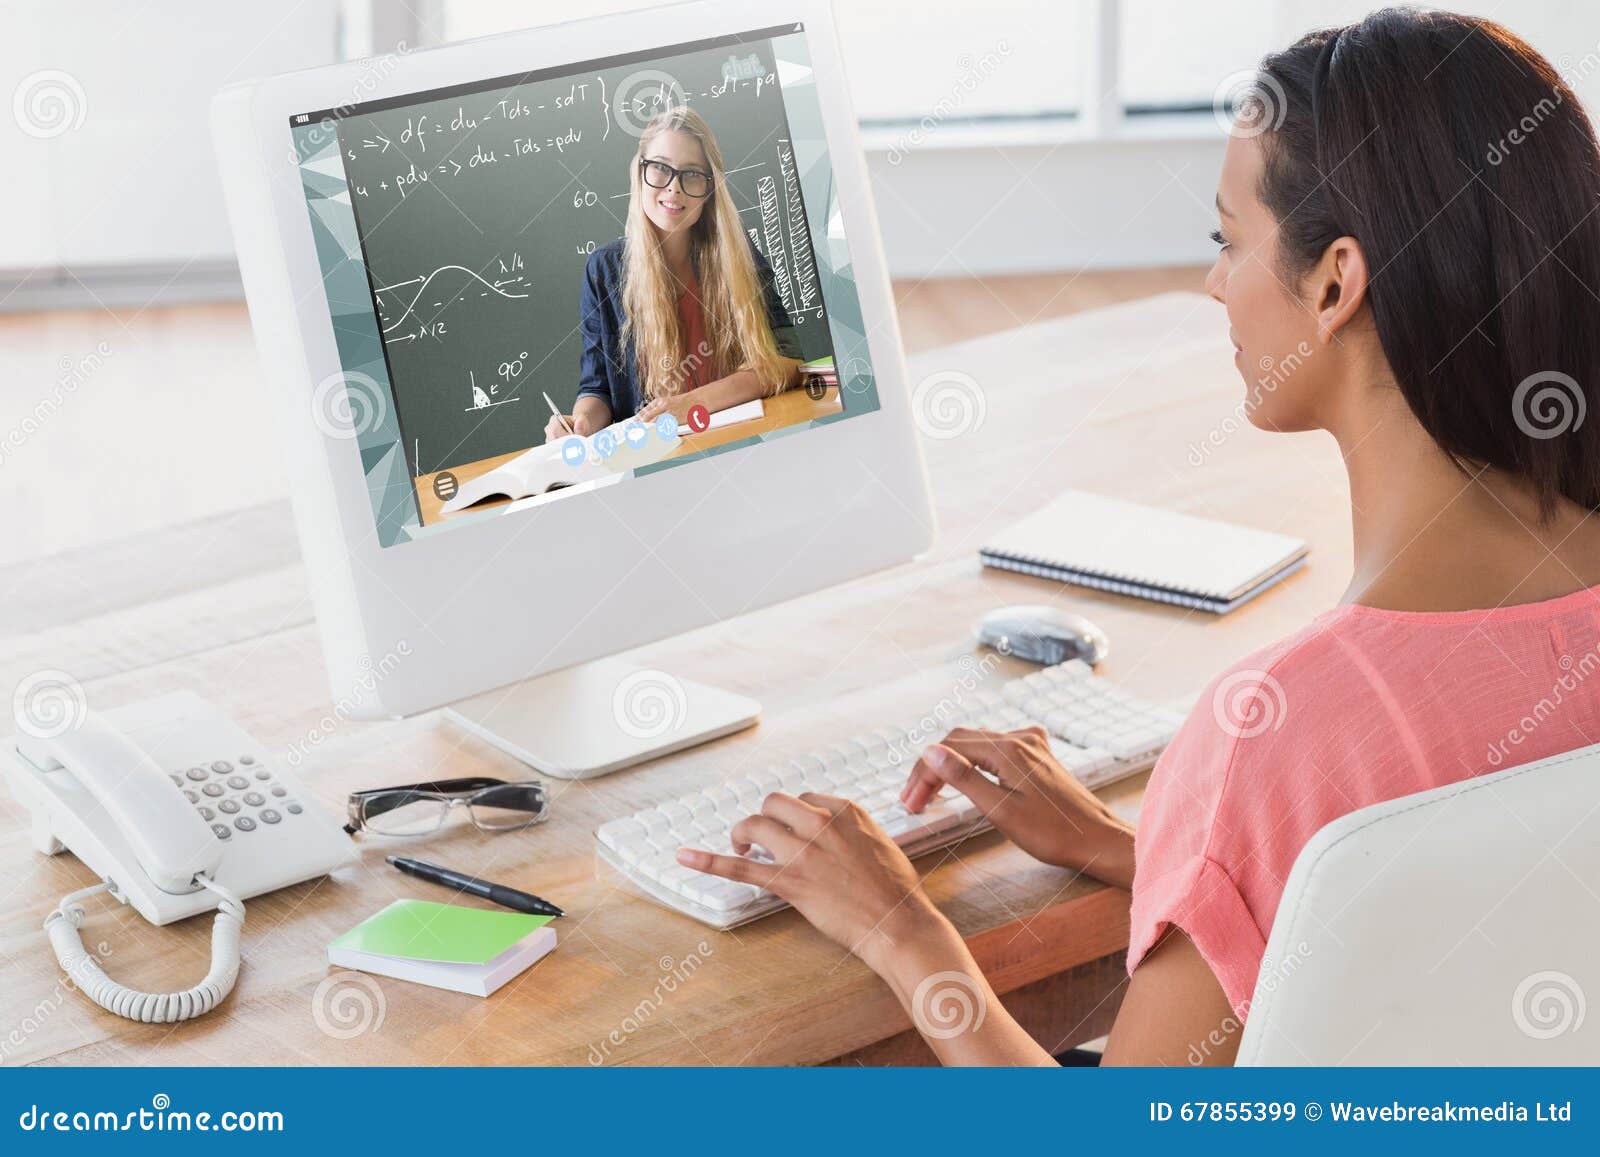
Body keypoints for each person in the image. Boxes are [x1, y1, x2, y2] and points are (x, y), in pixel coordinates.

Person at [679, 7, 1600, 1064]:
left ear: (1337, 283)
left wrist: (902, 927)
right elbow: (1435, 884)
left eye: (1228, 239)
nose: (1214, 280)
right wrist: (1161, 852)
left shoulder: (1278, 731)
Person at [545, 106, 800, 441]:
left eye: (692, 173)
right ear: (640, 173)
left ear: (710, 190)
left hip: (745, 440)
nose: (674, 188)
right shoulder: (605, 269)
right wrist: (580, 423)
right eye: (661, 169)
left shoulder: (737, 255)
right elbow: (598, 390)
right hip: (660, 453)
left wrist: (691, 404)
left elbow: (788, 361)